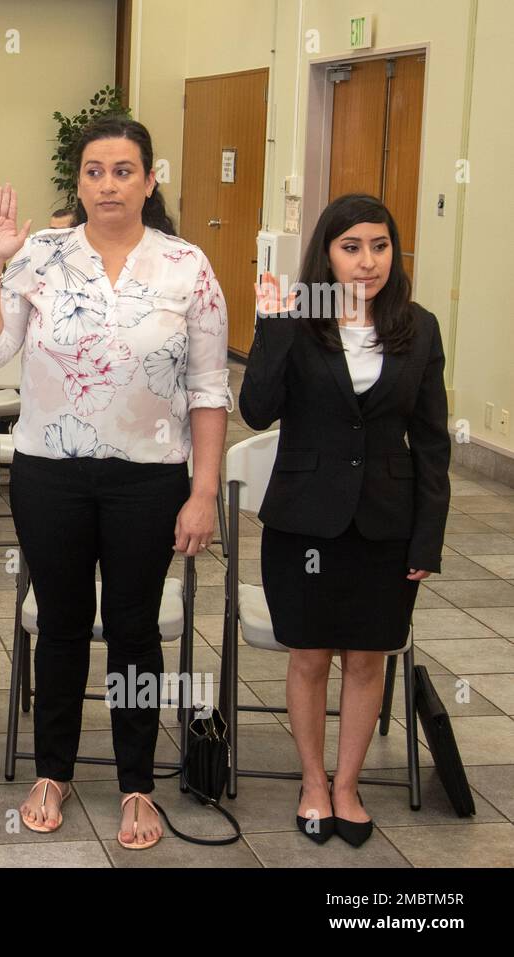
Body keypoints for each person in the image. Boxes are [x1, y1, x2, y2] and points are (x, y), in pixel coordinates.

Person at [0, 117, 230, 849]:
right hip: (51, 473)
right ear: (78, 182)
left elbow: (209, 389)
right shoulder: (41, 255)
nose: (107, 184)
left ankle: (137, 781)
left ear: (149, 180)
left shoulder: (187, 266)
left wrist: (203, 490)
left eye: (122, 170)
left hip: (150, 478)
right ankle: (53, 769)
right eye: (93, 171)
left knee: (137, 630)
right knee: (61, 623)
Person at [240, 193, 450, 847]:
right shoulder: (297, 322)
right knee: (309, 657)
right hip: (304, 524)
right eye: (351, 246)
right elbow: (256, 410)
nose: (367, 260)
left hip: (387, 523)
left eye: (380, 246)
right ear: (326, 255)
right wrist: (272, 323)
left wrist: (429, 535)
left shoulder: (419, 327)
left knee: (367, 660)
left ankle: (348, 784)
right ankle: (311, 780)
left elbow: (434, 442)